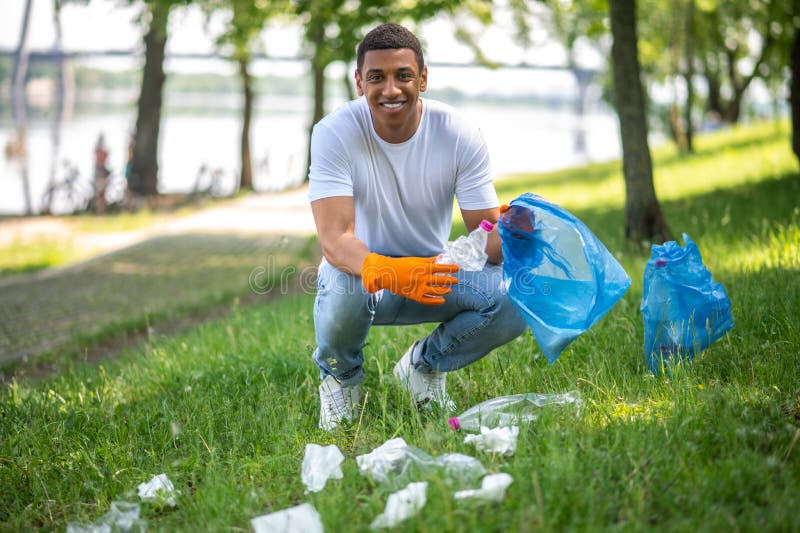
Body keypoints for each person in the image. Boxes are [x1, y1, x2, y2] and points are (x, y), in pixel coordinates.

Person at [308, 23, 528, 431]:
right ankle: (342, 381)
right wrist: (389, 270)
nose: (390, 89)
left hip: (433, 275)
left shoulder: (458, 132)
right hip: (365, 278)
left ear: (422, 78)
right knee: (343, 279)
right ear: (359, 82)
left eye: (403, 75)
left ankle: (423, 367)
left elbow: (490, 244)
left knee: (516, 292)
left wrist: (514, 228)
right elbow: (335, 240)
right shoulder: (333, 133)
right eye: (377, 77)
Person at [93, 133, 110, 213]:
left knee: (101, 192)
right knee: (100, 192)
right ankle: (100, 209)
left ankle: (101, 209)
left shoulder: (99, 150)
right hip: (100, 171)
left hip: (101, 171)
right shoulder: (100, 150)